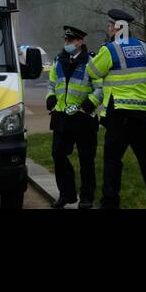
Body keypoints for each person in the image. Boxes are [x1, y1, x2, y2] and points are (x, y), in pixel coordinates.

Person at [85, 8, 146, 208]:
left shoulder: (110, 49)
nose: (109, 28)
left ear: (116, 28)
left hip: (120, 114)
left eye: (110, 25)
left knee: (113, 160)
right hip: (144, 115)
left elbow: (93, 71)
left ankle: (110, 202)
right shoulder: (145, 48)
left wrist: (95, 57)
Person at [46, 24, 102, 209]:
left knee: (86, 159)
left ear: (80, 42)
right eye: (65, 40)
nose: (67, 43)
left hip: (84, 117)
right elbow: (51, 84)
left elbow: (100, 87)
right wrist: (51, 99)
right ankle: (67, 194)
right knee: (58, 154)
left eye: (70, 40)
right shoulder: (58, 60)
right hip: (61, 117)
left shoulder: (92, 60)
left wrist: (89, 105)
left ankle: (86, 197)